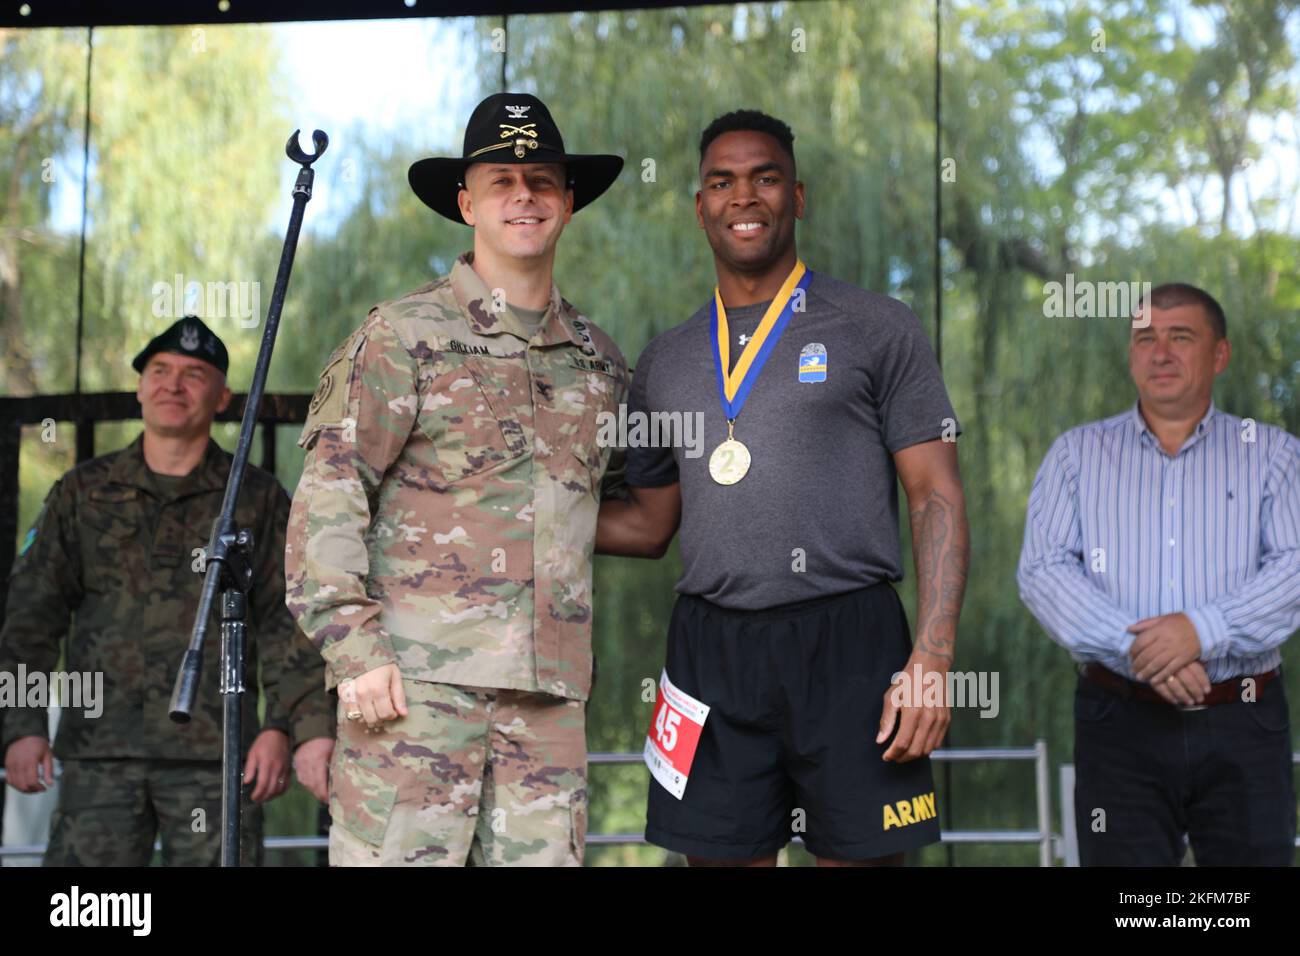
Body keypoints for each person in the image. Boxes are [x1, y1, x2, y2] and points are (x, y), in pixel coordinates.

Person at [596, 110, 969, 866]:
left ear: (797, 197)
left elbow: (936, 497)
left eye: (765, 178)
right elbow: (647, 525)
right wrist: (514, 515)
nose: (745, 197)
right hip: (711, 649)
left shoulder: (876, 327)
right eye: (722, 182)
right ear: (699, 204)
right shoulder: (663, 363)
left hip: (851, 643)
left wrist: (930, 662)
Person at [285, 92, 628, 866]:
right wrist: (355, 651)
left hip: (547, 708)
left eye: (542, 179)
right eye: (502, 180)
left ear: (569, 202)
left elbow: (609, 507)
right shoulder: (403, 335)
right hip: (411, 696)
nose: (524, 196)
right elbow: (330, 496)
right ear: (466, 202)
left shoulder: (600, 364)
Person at [0, 316, 335, 866]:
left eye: (193, 375)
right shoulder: (83, 493)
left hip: (219, 760)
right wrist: (23, 726)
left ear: (223, 397)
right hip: (99, 755)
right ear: (139, 387)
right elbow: (31, 619)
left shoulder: (255, 499)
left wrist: (284, 728)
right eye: (159, 371)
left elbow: (288, 625)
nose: (172, 385)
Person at [1018, 283, 1299, 866]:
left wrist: (1201, 630)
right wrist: (1142, 648)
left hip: (1242, 719)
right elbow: (1044, 570)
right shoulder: (1077, 455)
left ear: (1219, 354)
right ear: (1130, 354)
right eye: (1146, 339)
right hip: (1118, 721)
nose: (1160, 353)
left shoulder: (1275, 454)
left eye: (1181, 337)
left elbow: (1294, 565)